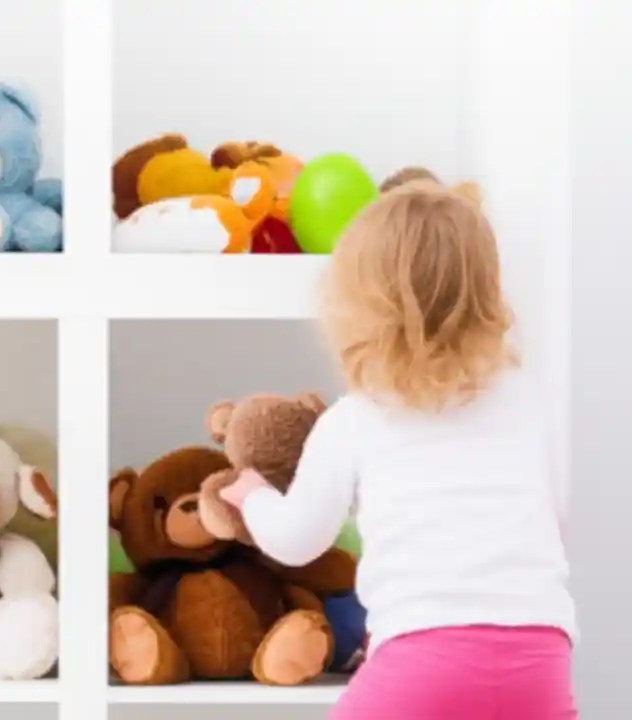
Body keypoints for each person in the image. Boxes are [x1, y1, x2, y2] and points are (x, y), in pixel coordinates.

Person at [220, 175, 577, 719]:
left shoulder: (357, 418)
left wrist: (253, 497)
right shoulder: (523, 400)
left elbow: (297, 540)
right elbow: (555, 517)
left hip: (422, 660)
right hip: (540, 660)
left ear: (353, 309)